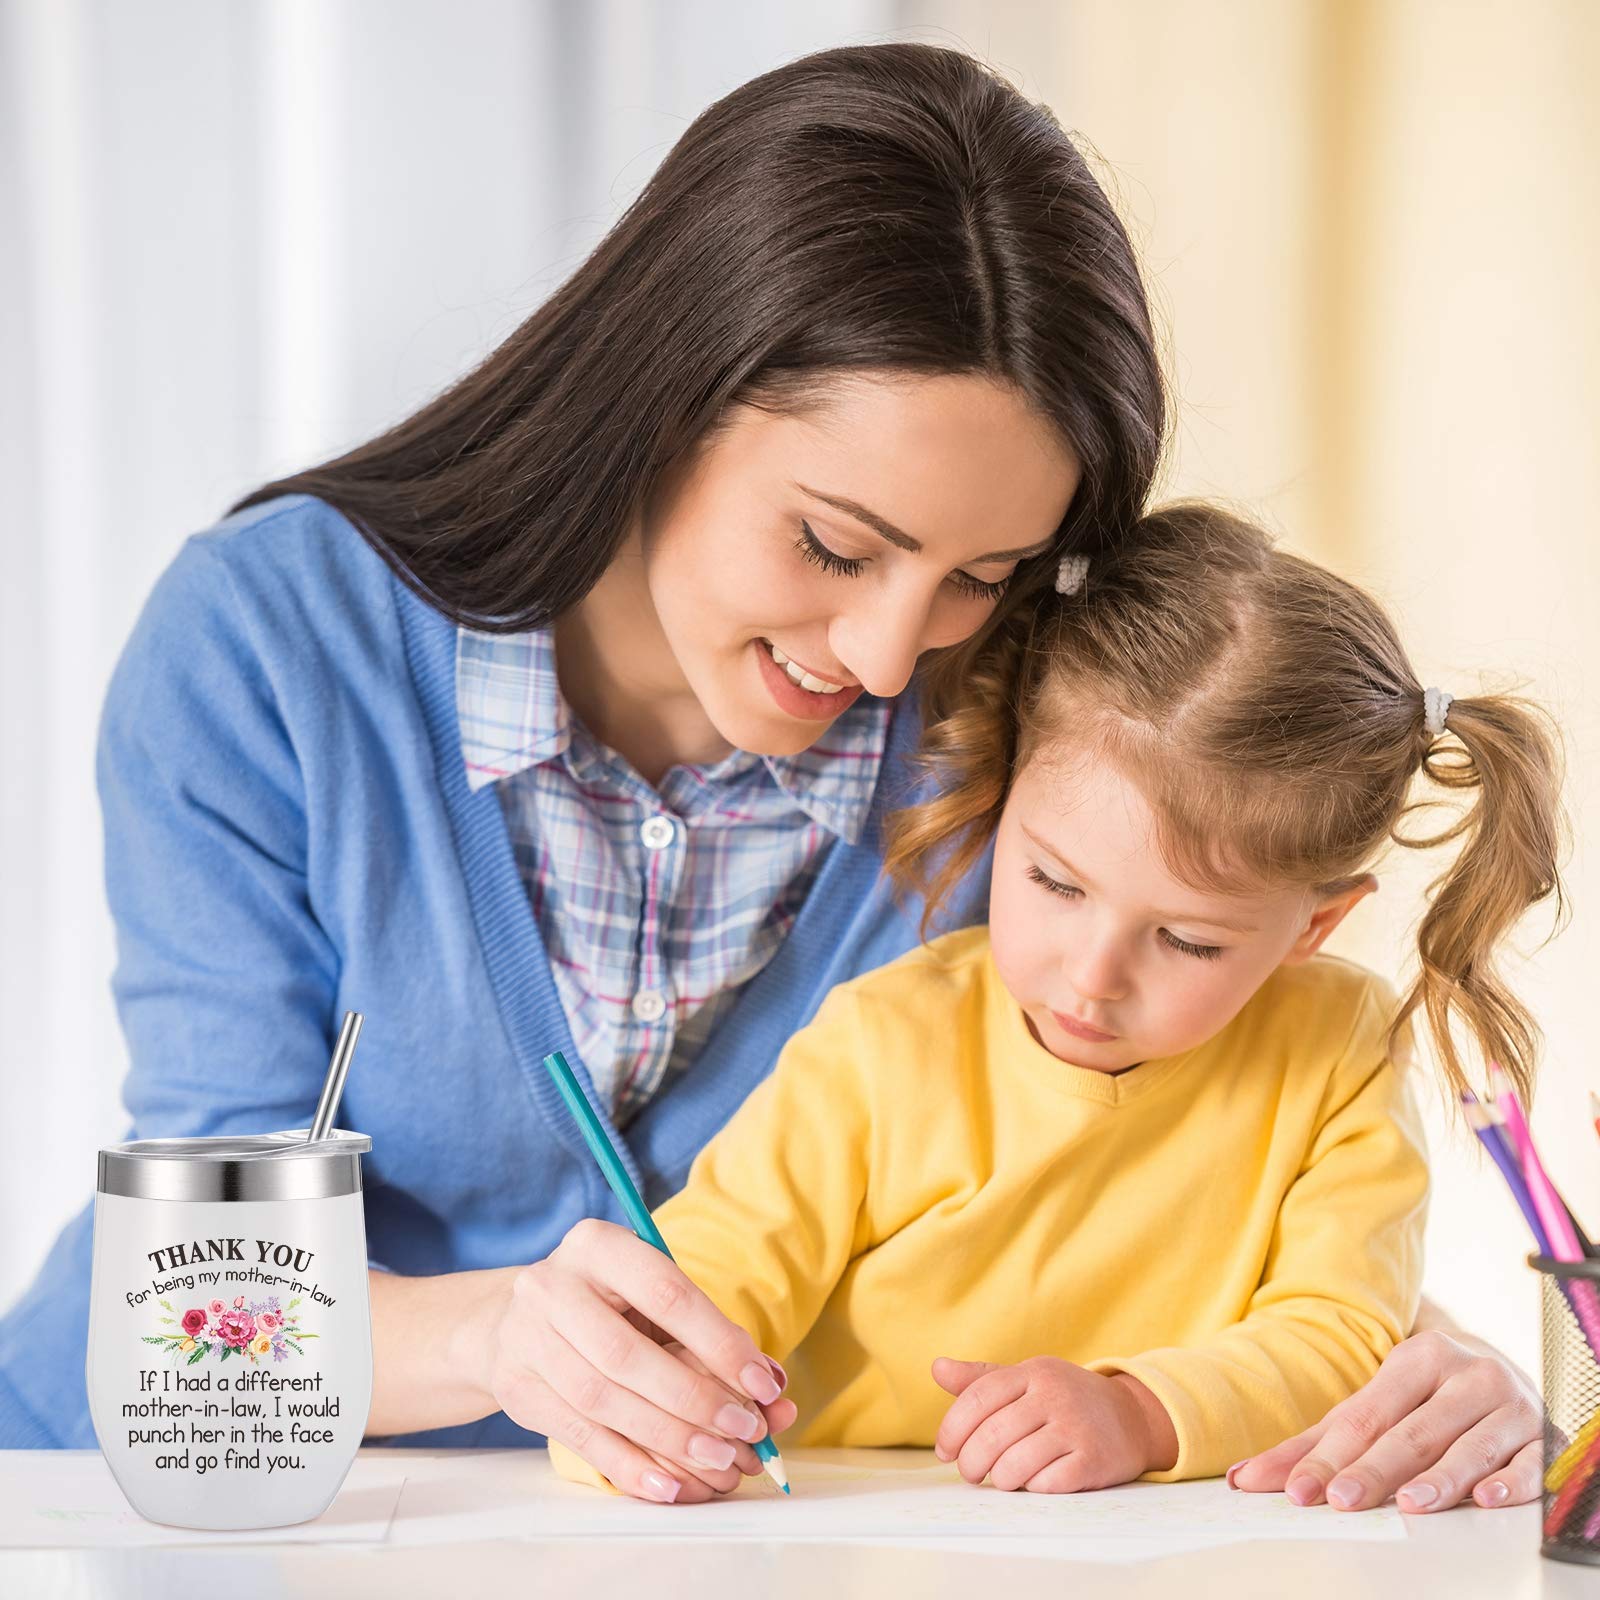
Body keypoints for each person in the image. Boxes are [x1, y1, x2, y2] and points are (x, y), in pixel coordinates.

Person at [0, 43, 1543, 1514]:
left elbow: (1166, 1143)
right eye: (834, 545)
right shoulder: (270, 648)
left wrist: (1395, 1357)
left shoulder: (1012, 720)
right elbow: (192, 1303)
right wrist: (499, 1343)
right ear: (660, 393)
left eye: (981, 574)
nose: (887, 656)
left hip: (716, 1531)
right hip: (190, 1495)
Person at [553, 502, 1561, 1499]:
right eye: (1053, 883)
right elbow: (708, 1283)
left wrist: (1138, 1411)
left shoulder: (1337, 1046)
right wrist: (644, 1400)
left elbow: (1342, 1330)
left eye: (1187, 939)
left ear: (1311, 929)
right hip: (842, 1527)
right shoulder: (882, 1042)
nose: (1091, 974)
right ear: (1005, 798)